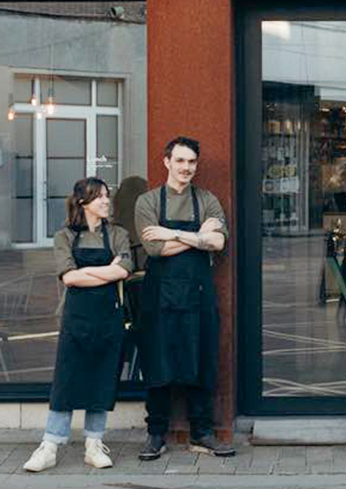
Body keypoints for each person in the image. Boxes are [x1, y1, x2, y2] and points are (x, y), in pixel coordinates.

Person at [23, 177, 134, 473]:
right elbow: (69, 277)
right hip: (76, 318)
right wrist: (107, 270)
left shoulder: (119, 234)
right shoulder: (65, 236)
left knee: (102, 378)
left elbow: (125, 270)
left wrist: (91, 271)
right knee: (67, 380)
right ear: (83, 201)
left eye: (107, 196)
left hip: (109, 317)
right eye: (100, 197)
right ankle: (49, 446)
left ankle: (93, 445)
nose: (106, 201)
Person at [135, 136, 235, 460]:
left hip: (198, 295)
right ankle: (155, 434)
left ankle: (203, 432)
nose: (186, 168)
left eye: (192, 162)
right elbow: (153, 249)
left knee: (201, 360)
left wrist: (173, 233)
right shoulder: (148, 202)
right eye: (180, 161)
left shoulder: (206, 199)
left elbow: (218, 243)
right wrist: (198, 237)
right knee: (158, 361)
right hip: (159, 296)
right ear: (167, 162)